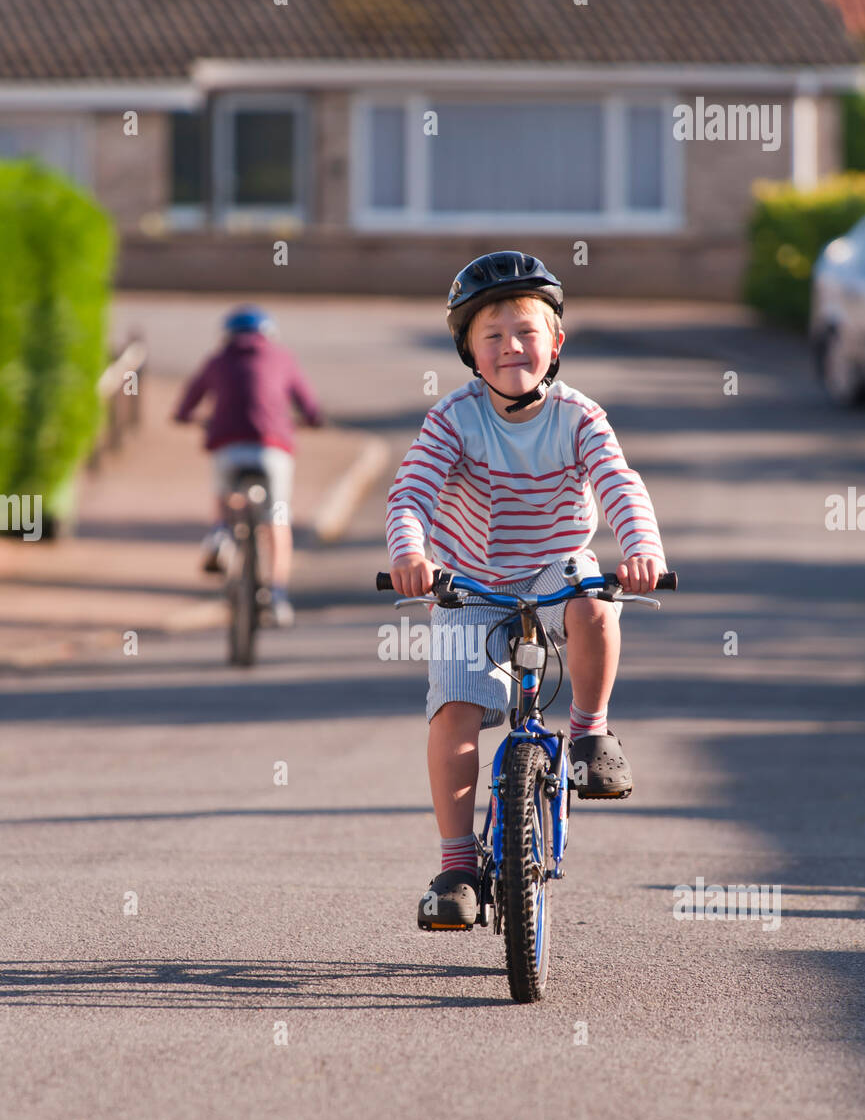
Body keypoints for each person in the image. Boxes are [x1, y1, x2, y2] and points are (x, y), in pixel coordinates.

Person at [385, 251, 668, 927]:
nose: (511, 347)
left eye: (526, 332)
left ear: (555, 343)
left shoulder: (578, 416)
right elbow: (411, 496)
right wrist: (410, 554)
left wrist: (641, 548)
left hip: (552, 561)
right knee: (455, 707)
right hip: (469, 577)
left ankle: (591, 735)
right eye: (492, 336)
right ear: (468, 352)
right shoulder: (452, 419)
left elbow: (618, 484)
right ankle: (456, 865)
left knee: (595, 603)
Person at [172, 304, 324, 627]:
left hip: (227, 446)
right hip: (272, 448)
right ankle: (278, 596)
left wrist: (189, 418)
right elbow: (310, 407)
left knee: (223, 495)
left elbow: (185, 405)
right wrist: (310, 420)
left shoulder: (217, 361)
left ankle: (219, 534)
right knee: (278, 518)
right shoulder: (282, 358)